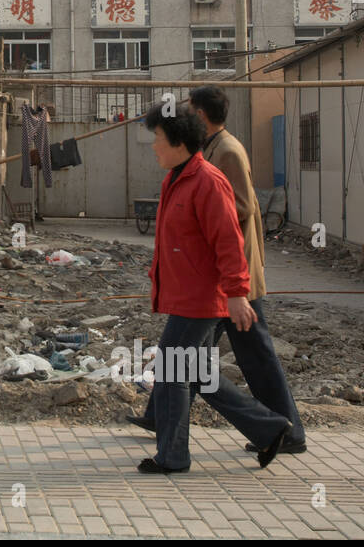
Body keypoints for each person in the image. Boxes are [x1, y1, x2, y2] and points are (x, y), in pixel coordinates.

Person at [131, 87, 306, 455]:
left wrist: (236, 289)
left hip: (221, 285)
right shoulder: (181, 173)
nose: (153, 146)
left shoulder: (219, 161)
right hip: (205, 287)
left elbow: (233, 222)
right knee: (190, 368)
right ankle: (267, 429)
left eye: (158, 139)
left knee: (221, 360)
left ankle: (273, 429)